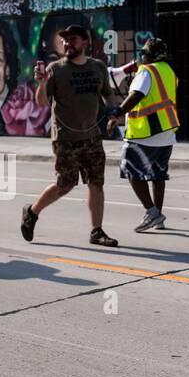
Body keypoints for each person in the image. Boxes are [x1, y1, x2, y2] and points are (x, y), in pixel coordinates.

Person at [20, 24, 119, 247]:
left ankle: (97, 231)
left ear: (85, 42)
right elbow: (42, 102)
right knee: (65, 185)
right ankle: (32, 212)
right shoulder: (56, 69)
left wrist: (115, 114)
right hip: (65, 138)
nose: (67, 43)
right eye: (64, 40)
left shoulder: (98, 67)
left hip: (92, 136)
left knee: (96, 183)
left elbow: (107, 96)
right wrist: (43, 83)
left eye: (72, 39)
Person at [106, 38, 178, 232]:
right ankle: (159, 218)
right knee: (158, 175)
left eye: (143, 54)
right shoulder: (169, 71)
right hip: (166, 132)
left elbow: (137, 94)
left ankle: (151, 212)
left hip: (144, 133)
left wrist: (116, 113)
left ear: (147, 55)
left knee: (131, 170)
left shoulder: (147, 71)